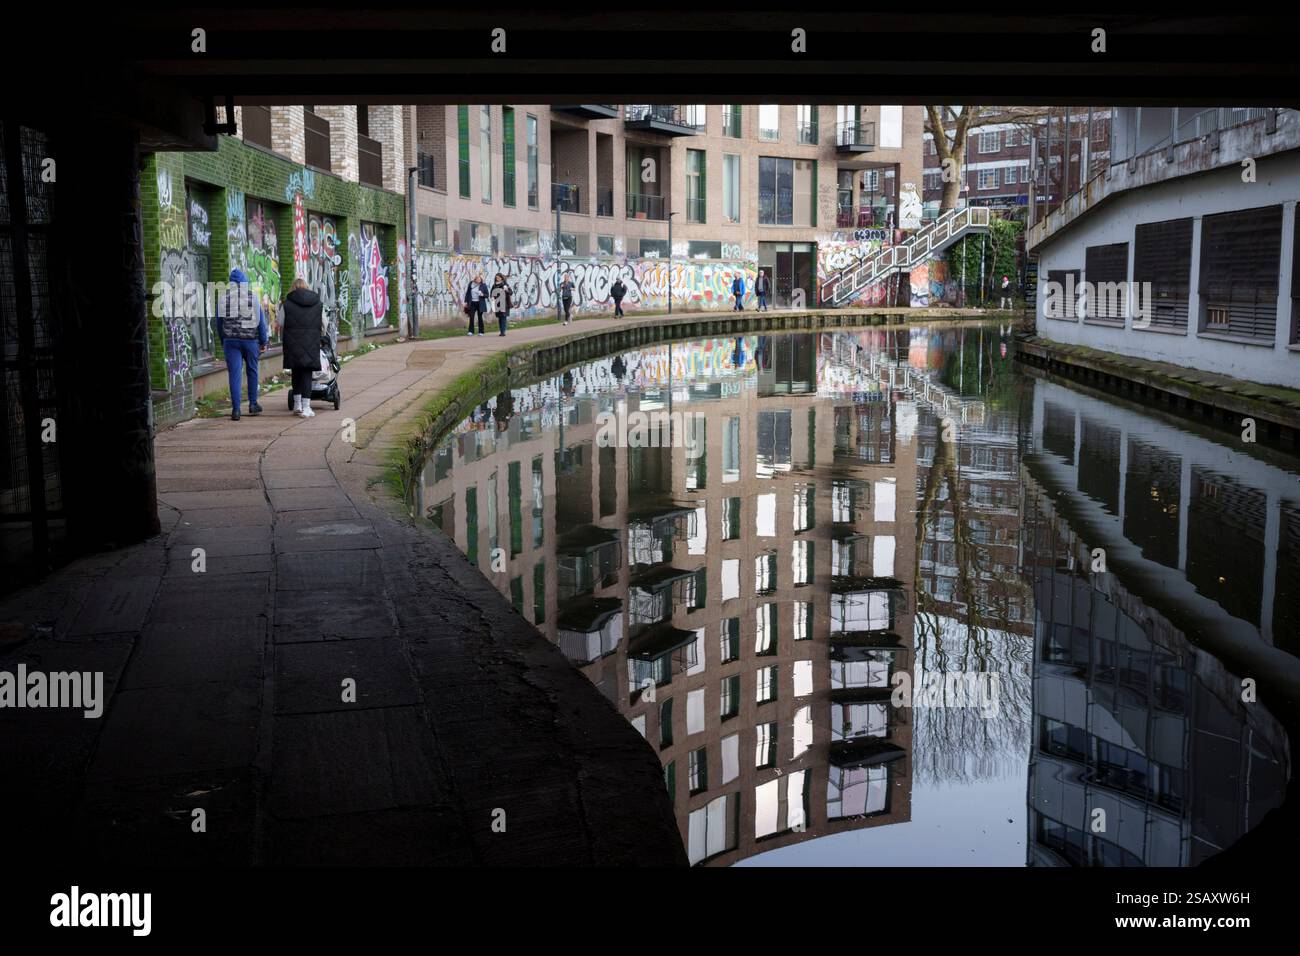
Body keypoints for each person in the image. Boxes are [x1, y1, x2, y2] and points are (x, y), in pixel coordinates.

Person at [216, 268, 268, 421]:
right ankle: (253, 404)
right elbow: (261, 322)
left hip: (230, 341)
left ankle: (236, 409)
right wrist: (264, 341)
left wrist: (223, 339)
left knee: (235, 374)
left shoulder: (223, 298)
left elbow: (219, 324)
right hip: (250, 341)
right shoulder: (252, 297)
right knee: (252, 371)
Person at [281, 276, 324, 418]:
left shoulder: (286, 303)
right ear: (307, 287)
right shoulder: (317, 303)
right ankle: (306, 407)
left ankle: (297, 404)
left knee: (296, 372)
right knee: (306, 373)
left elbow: (281, 322)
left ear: (293, 288)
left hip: (292, 343)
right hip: (310, 342)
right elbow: (324, 323)